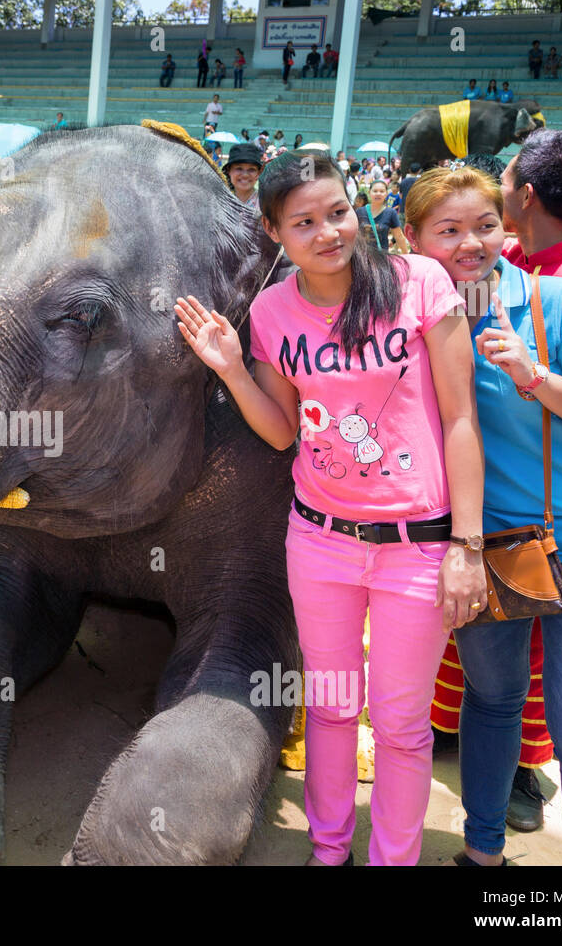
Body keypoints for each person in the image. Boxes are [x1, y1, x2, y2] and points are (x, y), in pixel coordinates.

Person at [175, 148, 485, 866]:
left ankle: (393, 859)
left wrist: (467, 548)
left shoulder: (419, 283)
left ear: (358, 211)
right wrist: (228, 366)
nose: (328, 233)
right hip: (321, 543)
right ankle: (329, 849)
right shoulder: (273, 311)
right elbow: (282, 430)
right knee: (333, 708)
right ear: (274, 232)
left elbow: (461, 418)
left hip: (418, 546)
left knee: (403, 727)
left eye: (339, 213)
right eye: (305, 222)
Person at [404, 159, 562, 868]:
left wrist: (536, 377)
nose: (470, 244)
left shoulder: (560, 304)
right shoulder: (411, 325)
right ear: (412, 240)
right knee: (491, 700)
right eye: (447, 230)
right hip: (488, 547)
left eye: (485, 225)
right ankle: (482, 855)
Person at [358, 180, 407, 253]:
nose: (378, 194)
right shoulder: (360, 212)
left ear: (386, 194)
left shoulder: (391, 213)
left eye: (382, 191)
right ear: (369, 192)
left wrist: (406, 254)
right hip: (362, 256)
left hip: (382, 257)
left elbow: (398, 236)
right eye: (375, 191)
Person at [224, 142, 262, 210]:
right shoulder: (221, 203)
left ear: (258, 173)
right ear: (229, 171)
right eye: (239, 168)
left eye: (251, 169)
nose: (245, 175)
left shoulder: (266, 205)